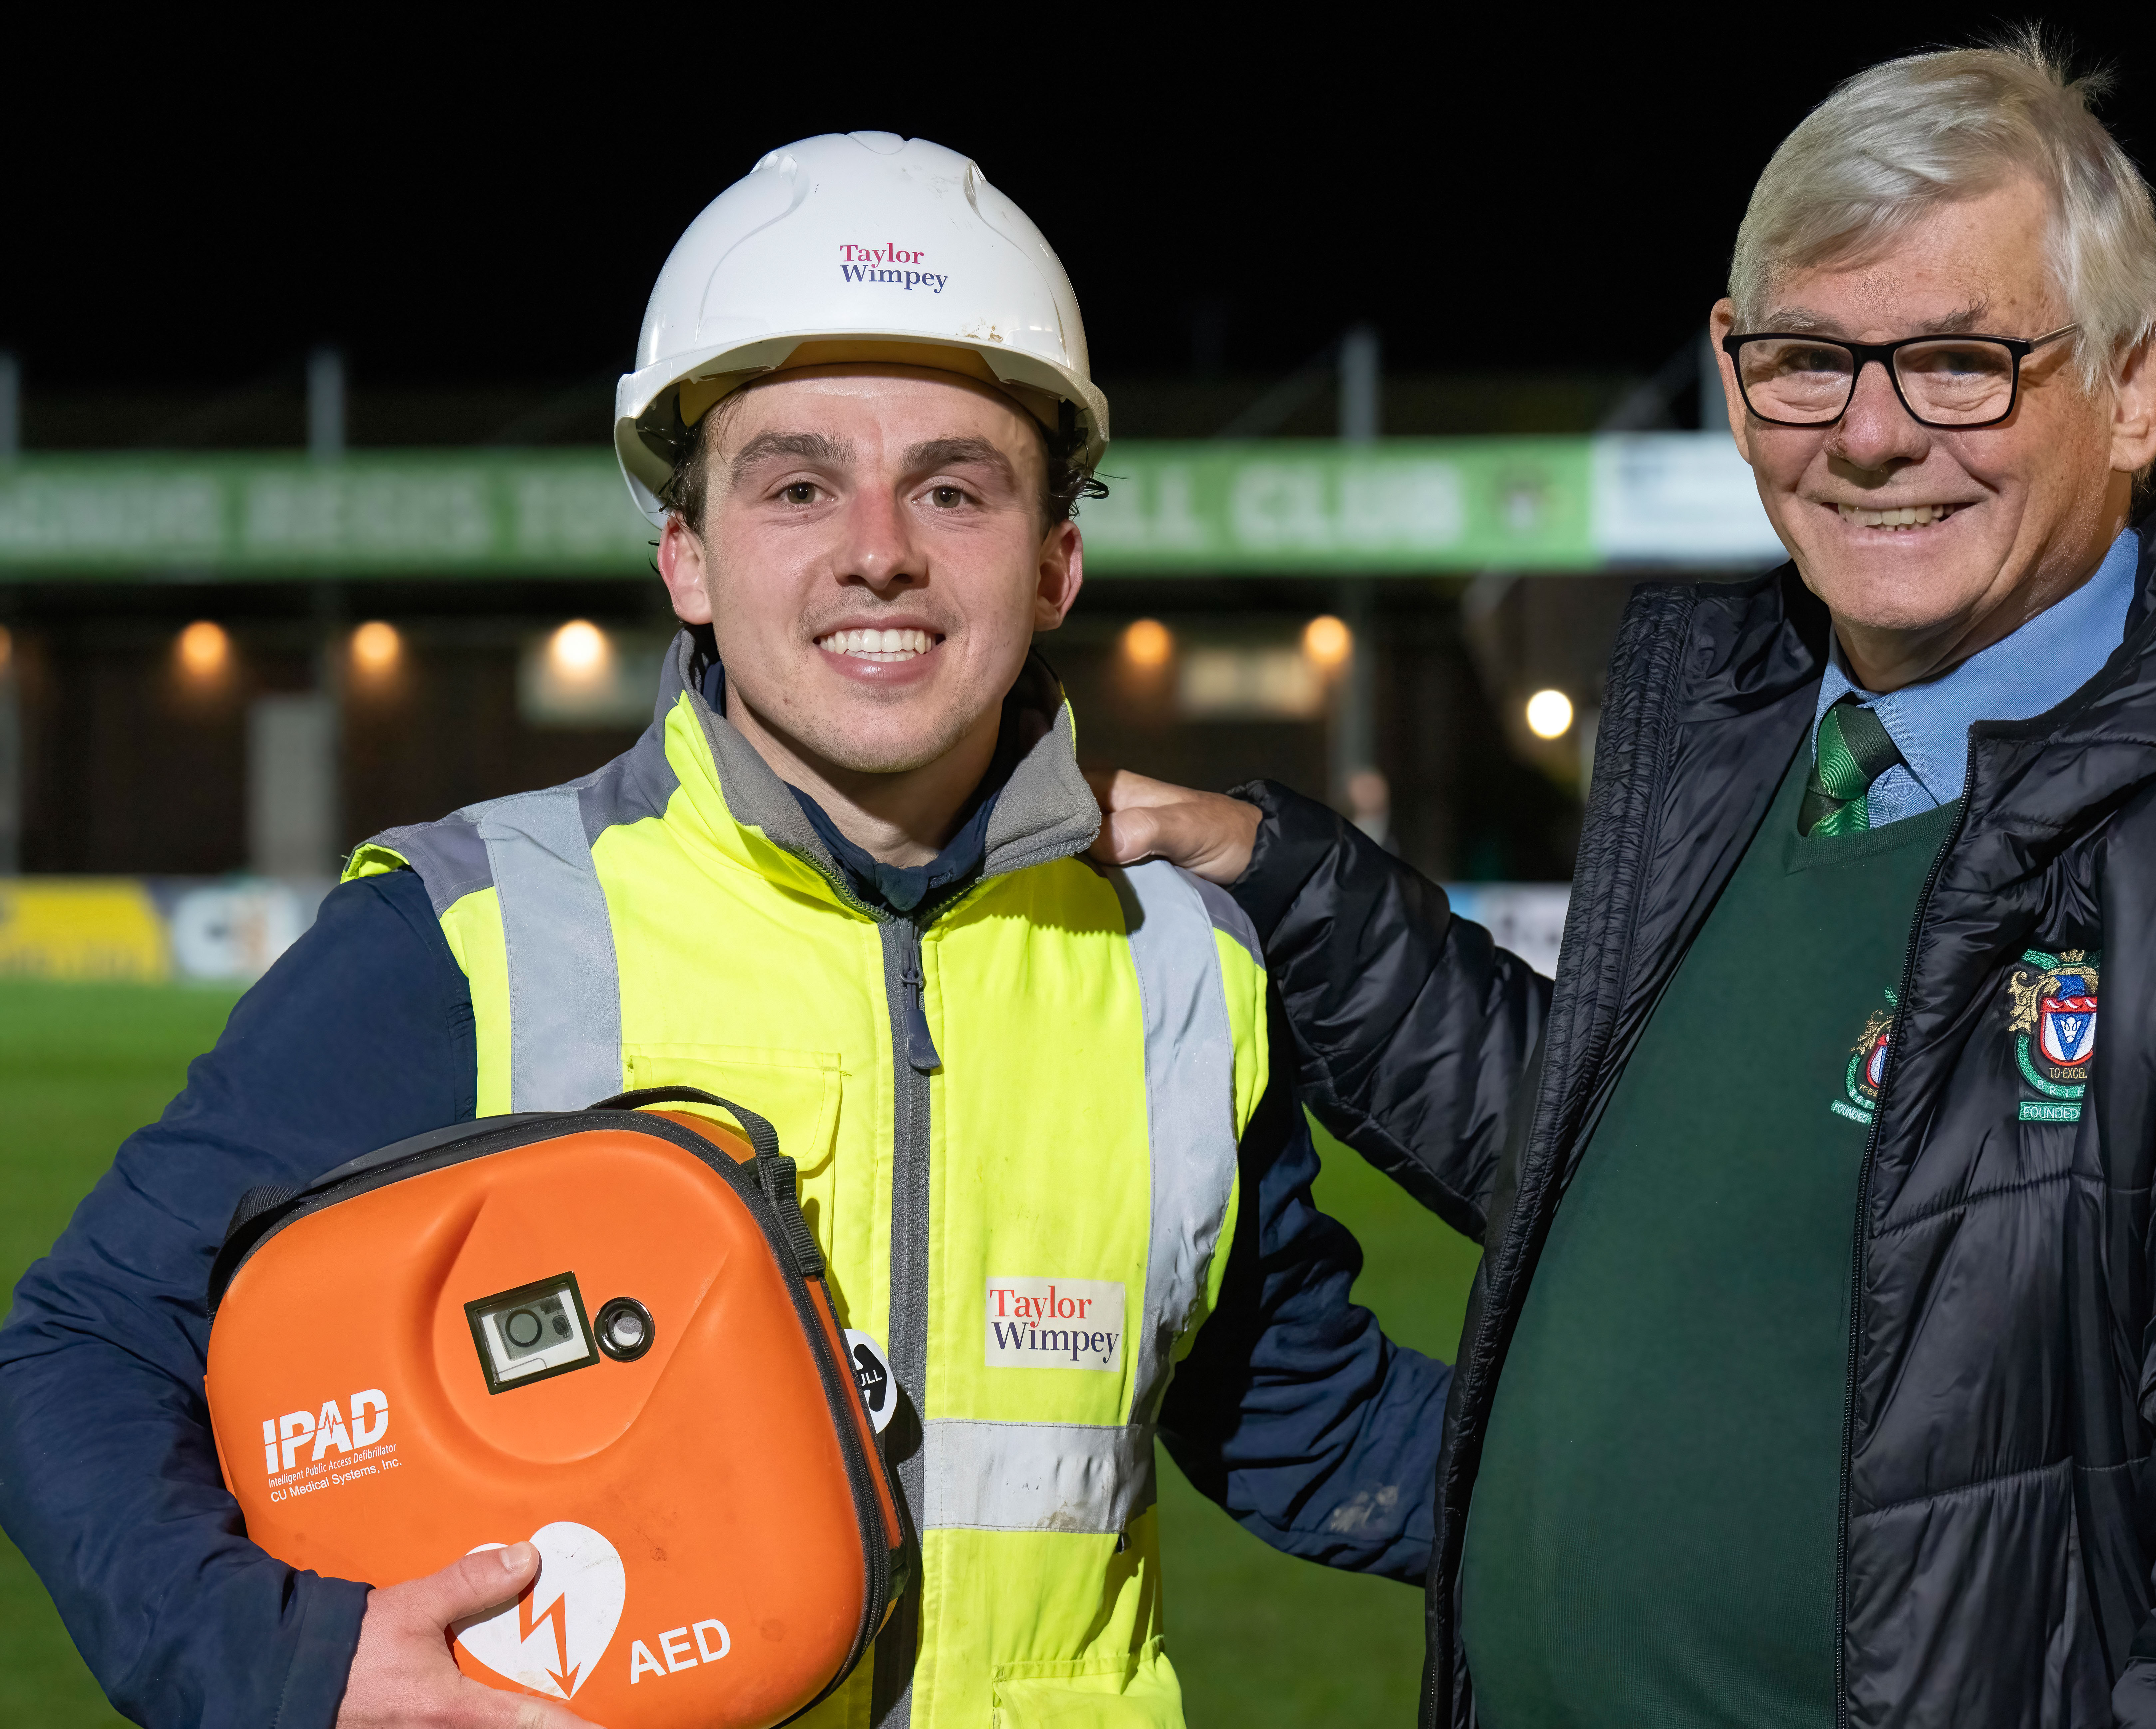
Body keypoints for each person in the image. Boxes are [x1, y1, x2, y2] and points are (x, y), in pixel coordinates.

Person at [1100, 37, 2156, 1729]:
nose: (1875, 436)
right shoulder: (1744, 741)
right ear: (1728, 364)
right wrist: (1287, 875)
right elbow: (1618, 1154)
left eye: (1962, 361)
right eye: (1811, 362)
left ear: (2138, 383)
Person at [0, 133, 1447, 1729]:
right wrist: (291, 1663)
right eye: (799, 483)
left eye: (953, 487)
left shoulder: (1186, 969)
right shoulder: (473, 930)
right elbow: (78, 1348)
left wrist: (1683, 1503)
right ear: (686, 556)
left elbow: (1307, 1418)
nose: (878, 546)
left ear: (1055, 562)